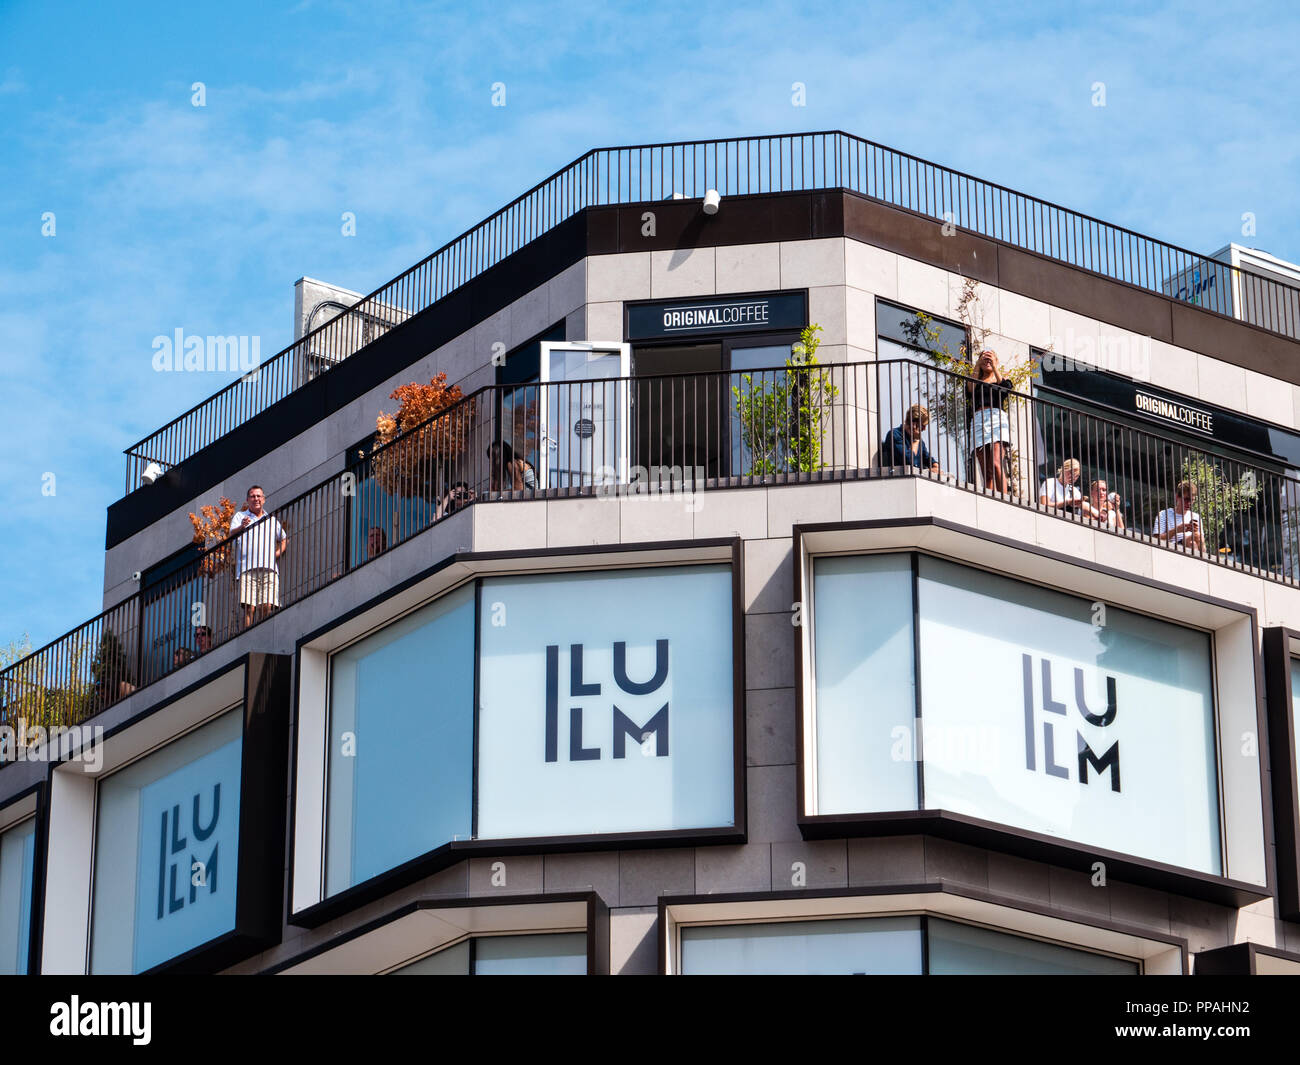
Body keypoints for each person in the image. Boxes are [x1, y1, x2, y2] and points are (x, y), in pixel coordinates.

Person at [230, 485, 288, 629]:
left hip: (268, 568)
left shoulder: (271, 520)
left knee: (267, 605)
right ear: (247, 500)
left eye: (258, 496)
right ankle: (247, 636)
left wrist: (277, 553)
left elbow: (284, 538)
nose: (256, 499)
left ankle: (263, 633)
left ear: (264, 499)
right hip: (247, 568)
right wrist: (241, 527)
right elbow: (231, 535)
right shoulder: (240, 516)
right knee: (249, 607)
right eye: (252, 496)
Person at [967, 350, 1013, 494]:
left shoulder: (1001, 379)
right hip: (979, 420)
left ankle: (1005, 499)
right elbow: (969, 391)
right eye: (984, 359)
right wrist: (977, 365)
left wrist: (994, 367)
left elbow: (1006, 390)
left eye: (990, 358)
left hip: (995, 418)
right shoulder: (976, 381)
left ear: (996, 361)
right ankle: (989, 497)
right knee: (986, 471)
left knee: (996, 463)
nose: (987, 361)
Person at [884, 404, 941, 475]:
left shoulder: (920, 442)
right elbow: (909, 462)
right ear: (913, 423)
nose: (924, 429)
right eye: (923, 426)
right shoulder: (895, 435)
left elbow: (927, 458)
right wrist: (916, 440)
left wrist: (935, 466)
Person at [1154, 480, 1205, 551]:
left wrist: (1195, 532)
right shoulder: (1163, 514)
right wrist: (1176, 530)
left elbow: (1203, 548)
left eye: (1192, 500)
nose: (1189, 503)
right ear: (1177, 497)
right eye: (1186, 499)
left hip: (1190, 548)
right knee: (1191, 543)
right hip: (1170, 549)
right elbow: (1155, 540)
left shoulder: (1196, 517)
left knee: (1196, 537)